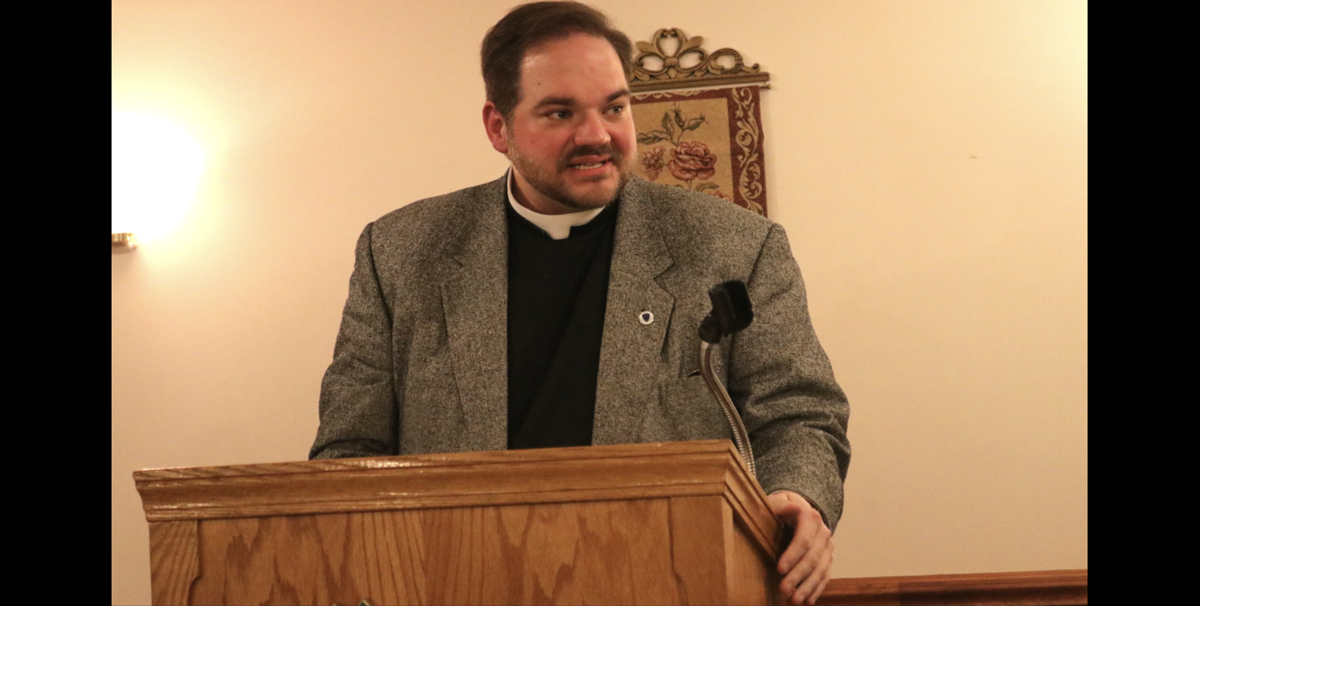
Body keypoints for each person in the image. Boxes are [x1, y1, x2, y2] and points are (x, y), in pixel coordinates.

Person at [311, 1, 849, 605]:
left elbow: (799, 415)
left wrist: (798, 495)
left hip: (667, 582)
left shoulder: (738, 247)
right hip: (455, 582)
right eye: (560, 112)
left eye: (614, 107)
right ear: (498, 126)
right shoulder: (401, 253)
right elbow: (347, 452)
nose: (597, 135)